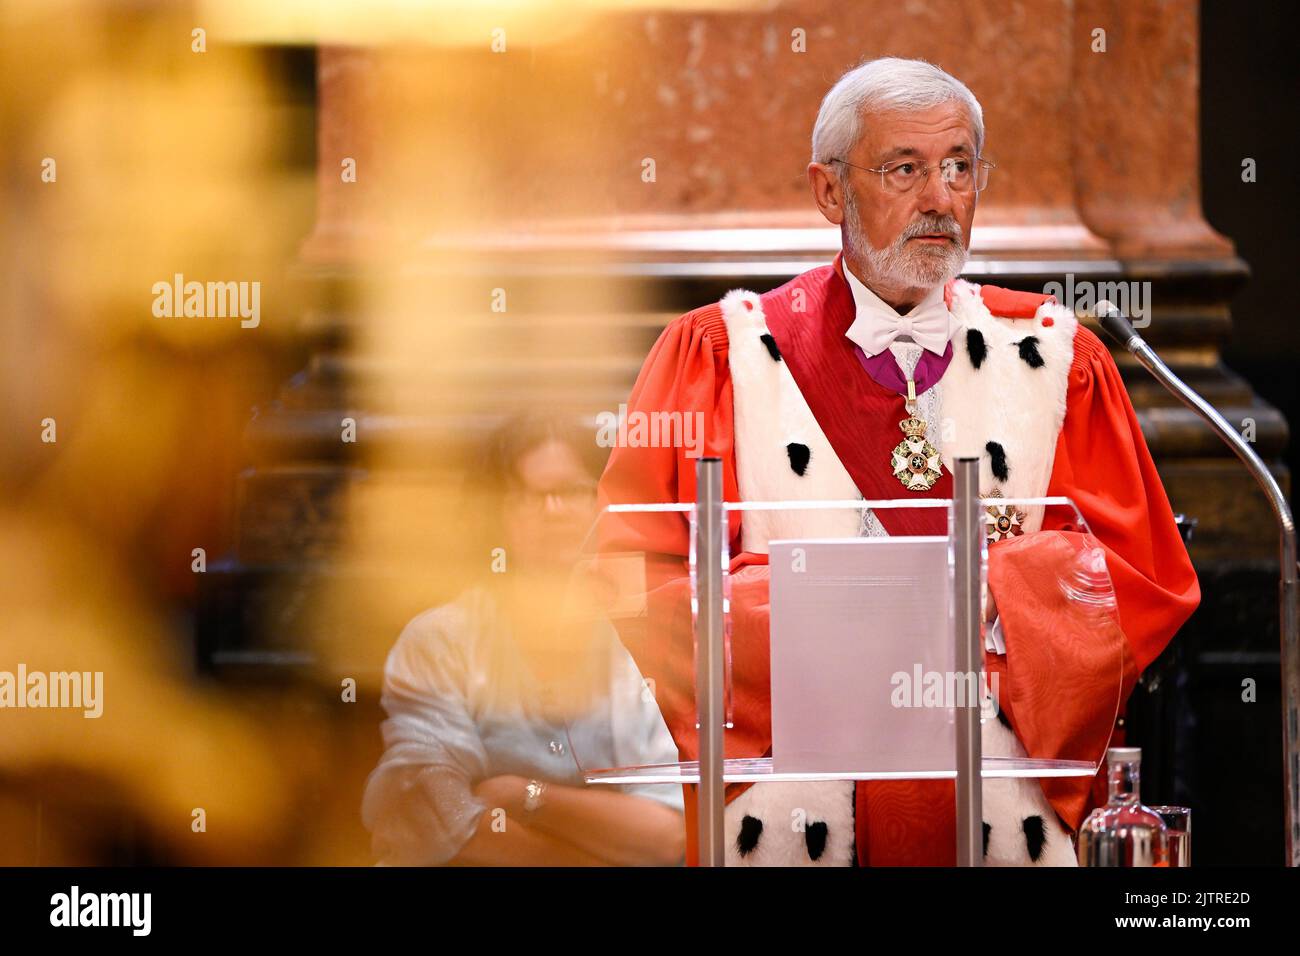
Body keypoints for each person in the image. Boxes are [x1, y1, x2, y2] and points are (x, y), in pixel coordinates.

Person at [595, 57, 1199, 866]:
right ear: (827, 190)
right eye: (903, 169)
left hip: (1002, 814)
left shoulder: (1058, 361)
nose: (940, 199)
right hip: (793, 820)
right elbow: (637, 574)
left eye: (959, 168)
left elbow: (1143, 579)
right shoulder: (717, 356)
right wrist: (835, 611)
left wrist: (990, 601)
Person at [362, 413, 686, 866]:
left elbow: (667, 833)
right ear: (491, 514)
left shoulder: (634, 640)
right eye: (528, 496)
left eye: (571, 491)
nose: (552, 511)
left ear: (600, 502)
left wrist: (524, 795)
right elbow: (439, 825)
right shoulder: (440, 641)